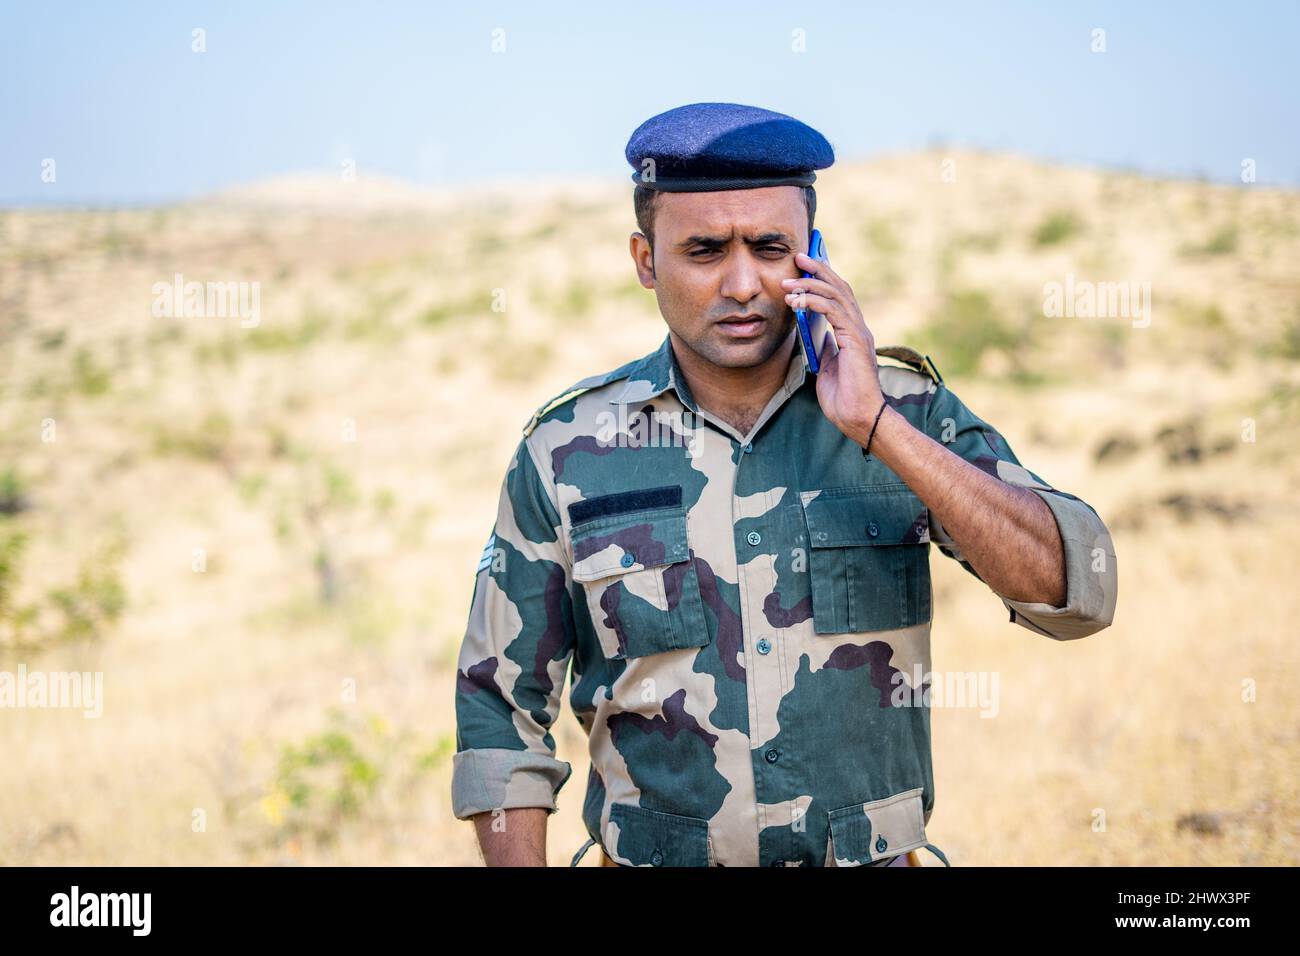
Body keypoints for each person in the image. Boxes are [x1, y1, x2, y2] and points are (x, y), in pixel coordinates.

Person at [451, 102, 1118, 867]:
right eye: (703, 251)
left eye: (771, 247)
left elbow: (1078, 593)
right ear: (645, 260)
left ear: (816, 253)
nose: (743, 283)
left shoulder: (908, 412)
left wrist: (877, 425)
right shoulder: (567, 448)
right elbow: (499, 707)